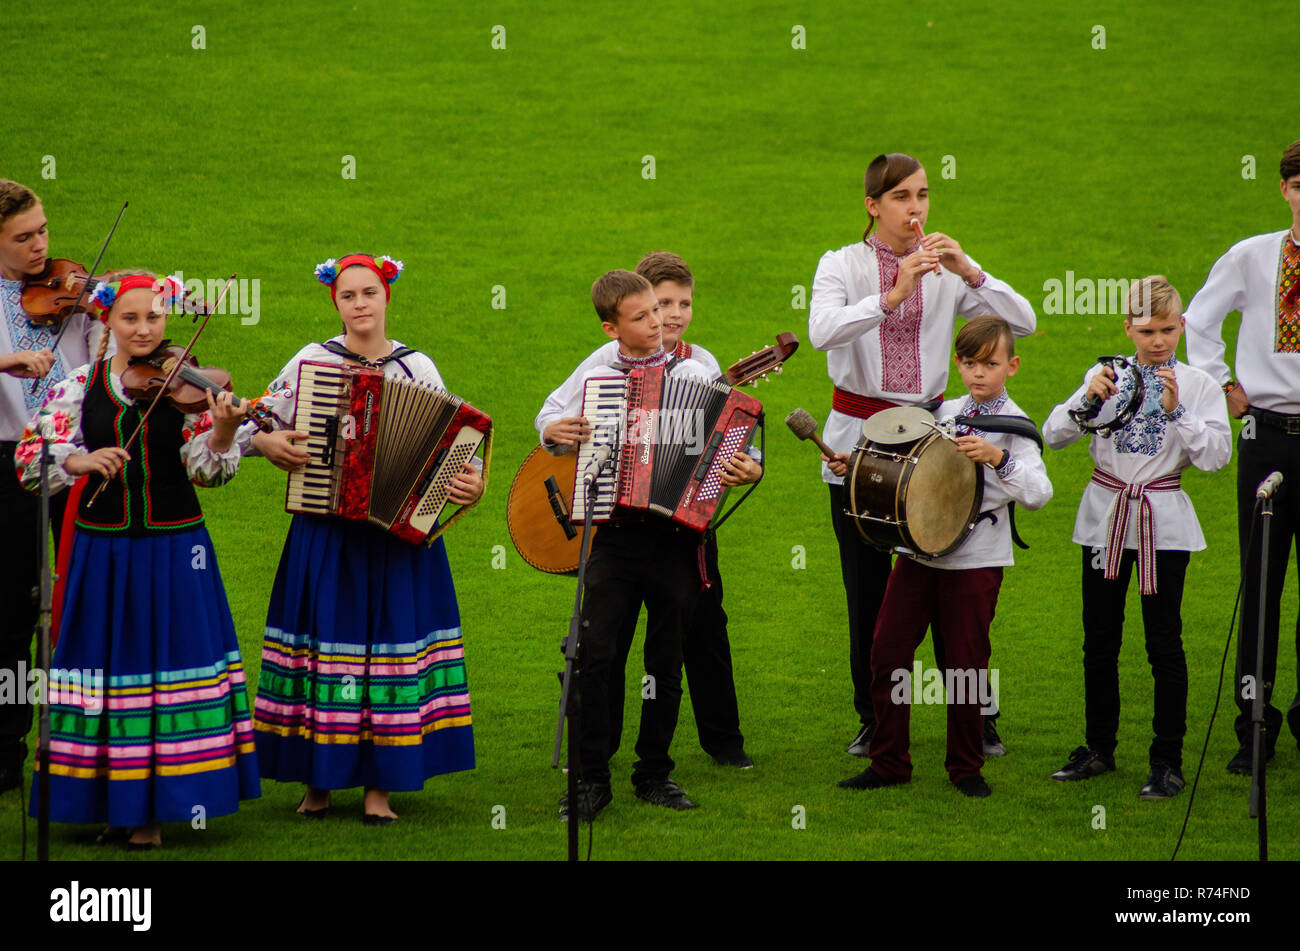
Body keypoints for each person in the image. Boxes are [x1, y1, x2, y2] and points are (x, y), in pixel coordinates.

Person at [14, 271, 258, 848]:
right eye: (130, 318)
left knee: (169, 667)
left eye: (153, 317)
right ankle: (113, 803)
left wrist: (225, 431)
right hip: (103, 552)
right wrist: (77, 461)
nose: (144, 329)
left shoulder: (189, 388)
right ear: (107, 320)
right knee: (106, 670)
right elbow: (29, 458)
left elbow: (208, 472)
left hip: (177, 551)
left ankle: (155, 813)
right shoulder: (81, 384)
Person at [810, 152, 1036, 759]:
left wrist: (972, 272)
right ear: (872, 205)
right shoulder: (841, 264)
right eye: (902, 197)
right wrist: (891, 295)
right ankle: (874, 720)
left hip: (934, 446)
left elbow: (1024, 323)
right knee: (867, 595)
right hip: (857, 447)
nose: (917, 208)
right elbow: (822, 331)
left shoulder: (946, 268)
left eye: (923, 195)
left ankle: (977, 719)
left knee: (951, 590)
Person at [246, 253, 483, 825]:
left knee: (389, 651)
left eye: (369, 293)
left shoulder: (417, 367)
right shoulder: (312, 360)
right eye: (348, 295)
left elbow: (454, 441)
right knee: (325, 645)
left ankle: (381, 787)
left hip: (398, 537)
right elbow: (257, 418)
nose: (360, 304)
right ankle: (318, 783)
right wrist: (266, 444)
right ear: (336, 302)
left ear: (386, 297)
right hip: (326, 529)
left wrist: (469, 484)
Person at [546, 269, 752, 820]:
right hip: (613, 535)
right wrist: (554, 432)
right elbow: (549, 416)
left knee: (666, 661)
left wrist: (748, 468)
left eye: (658, 311)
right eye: (642, 316)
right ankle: (591, 780)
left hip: (677, 538)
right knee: (596, 655)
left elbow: (731, 440)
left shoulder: (694, 372)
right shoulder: (599, 372)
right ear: (612, 328)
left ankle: (654, 773)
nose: (658, 322)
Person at [838, 316, 1051, 797]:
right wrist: (857, 465)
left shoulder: (1016, 429)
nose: (979, 372)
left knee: (965, 667)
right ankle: (889, 762)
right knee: (887, 652)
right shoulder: (941, 412)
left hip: (976, 560)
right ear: (958, 364)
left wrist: (998, 458)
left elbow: (1039, 494)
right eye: (970, 363)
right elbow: (906, 467)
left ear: (1012, 365)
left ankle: (966, 768)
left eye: (990, 364)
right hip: (918, 554)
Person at [1044, 277, 1231, 799]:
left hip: (1163, 525)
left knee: (1164, 643)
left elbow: (1217, 458)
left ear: (1181, 326)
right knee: (1099, 640)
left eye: (1167, 330)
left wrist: (1178, 412)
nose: (1158, 341)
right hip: (1104, 520)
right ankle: (1098, 749)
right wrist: (1088, 398)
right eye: (1147, 331)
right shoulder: (1106, 373)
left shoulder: (1198, 384)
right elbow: (1053, 434)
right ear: (1127, 328)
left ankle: (1167, 761)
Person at [1185, 139, 1300, 773]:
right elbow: (1200, 321)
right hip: (1266, 437)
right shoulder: (1253, 257)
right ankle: (1254, 726)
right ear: (1284, 189)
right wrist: (1222, 383)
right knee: (1261, 584)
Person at [0, 180, 110, 794]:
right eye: (23, 238)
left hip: (75, 459)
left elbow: (113, 365)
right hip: (7, 463)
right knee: (12, 610)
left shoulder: (75, 293)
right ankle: (5, 750)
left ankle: (85, 752)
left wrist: (109, 316)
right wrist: (5, 361)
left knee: (82, 602)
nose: (40, 246)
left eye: (42, 230)